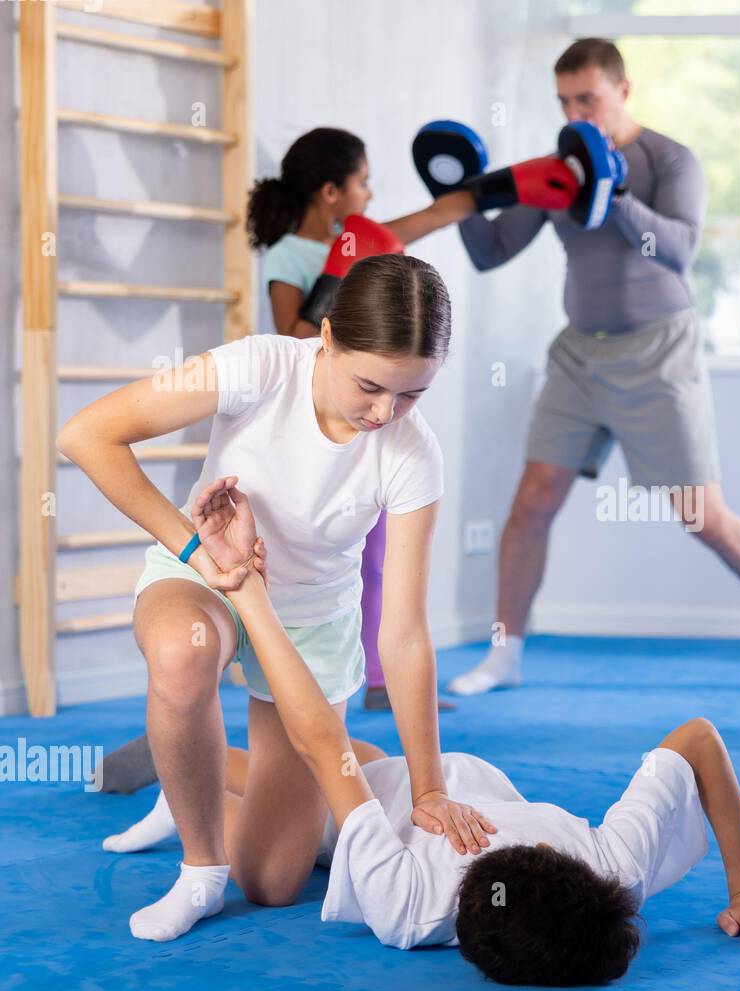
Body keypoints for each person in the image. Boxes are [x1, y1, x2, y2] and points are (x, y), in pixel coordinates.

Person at [106, 481, 740, 984]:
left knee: (270, 872)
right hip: (422, 777)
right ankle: (183, 768)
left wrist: (251, 596)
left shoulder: (405, 902)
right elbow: (697, 738)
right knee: (342, 763)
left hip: (360, 802)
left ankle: (184, 784)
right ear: (552, 852)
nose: (486, 848)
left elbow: (322, 742)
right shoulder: (614, 864)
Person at [58, 255, 493, 942]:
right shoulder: (259, 366)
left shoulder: (413, 454)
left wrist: (429, 786)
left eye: (412, 395)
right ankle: (199, 864)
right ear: (326, 339)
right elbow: (86, 435)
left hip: (313, 621)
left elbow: (403, 633)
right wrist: (197, 549)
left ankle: (179, 777)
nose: (387, 412)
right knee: (182, 654)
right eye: (372, 385)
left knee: (270, 880)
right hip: (206, 571)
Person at [446, 38, 740, 701]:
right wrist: (459, 200)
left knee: (700, 512)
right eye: (564, 101)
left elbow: (677, 250)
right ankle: (506, 651)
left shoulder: (669, 159)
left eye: (587, 98)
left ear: (625, 90)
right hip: (579, 353)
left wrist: (612, 192)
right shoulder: (557, 166)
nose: (575, 113)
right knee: (531, 501)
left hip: (658, 349)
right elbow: (493, 250)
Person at [251, 127, 476, 714]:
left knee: (377, 554)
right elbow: (294, 339)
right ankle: (284, 670)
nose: (370, 194)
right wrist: (330, 289)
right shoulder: (288, 255)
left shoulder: (359, 240)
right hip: (314, 427)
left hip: (367, 434)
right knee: (314, 555)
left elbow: (411, 229)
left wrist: (468, 201)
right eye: (363, 181)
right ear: (331, 191)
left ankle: (379, 675)